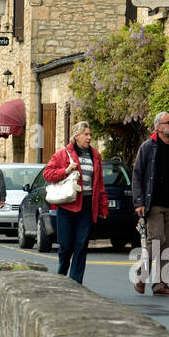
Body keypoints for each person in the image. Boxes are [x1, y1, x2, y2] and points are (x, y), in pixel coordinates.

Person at [131, 112, 169, 296]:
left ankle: (160, 285)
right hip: (154, 203)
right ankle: (141, 276)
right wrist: (139, 201)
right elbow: (137, 175)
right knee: (155, 240)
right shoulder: (148, 147)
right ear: (159, 127)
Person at [42, 121, 106, 284]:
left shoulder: (95, 156)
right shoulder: (63, 154)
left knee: (81, 245)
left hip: (87, 205)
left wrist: (103, 207)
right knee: (66, 246)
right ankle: (62, 275)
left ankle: (76, 282)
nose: (89, 137)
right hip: (68, 205)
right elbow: (47, 174)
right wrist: (66, 170)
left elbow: (99, 184)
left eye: (90, 134)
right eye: (86, 134)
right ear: (76, 136)